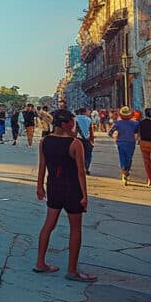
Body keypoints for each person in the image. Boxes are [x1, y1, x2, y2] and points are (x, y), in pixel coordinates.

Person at [35, 108, 96, 282]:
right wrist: (85, 195)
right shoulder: (75, 144)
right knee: (75, 229)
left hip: (54, 186)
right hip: (72, 189)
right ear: (64, 124)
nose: (74, 125)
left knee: (48, 225)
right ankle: (72, 270)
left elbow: (42, 166)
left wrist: (39, 186)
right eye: (72, 122)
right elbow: (81, 172)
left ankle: (40, 262)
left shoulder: (45, 141)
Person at [108, 106, 139, 186]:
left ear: (121, 115)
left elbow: (110, 132)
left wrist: (114, 137)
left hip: (120, 142)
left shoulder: (117, 123)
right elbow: (137, 133)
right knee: (129, 158)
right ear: (130, 115)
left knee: (122, 157)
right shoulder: (135, 123)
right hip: (131, 143)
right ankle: (127, 170)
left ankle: (123, 172)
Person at [75, 107, 95, 174]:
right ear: (84, 112)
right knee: (88, 155)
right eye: (87, 111)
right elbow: (91, 130)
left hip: (78, 139)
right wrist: (92, 140)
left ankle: (78, 167)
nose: (88, 112)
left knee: (78, 155)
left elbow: (74, 130)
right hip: (87, 139)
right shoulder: (89, 119)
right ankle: (86, 168)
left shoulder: (75, 119)